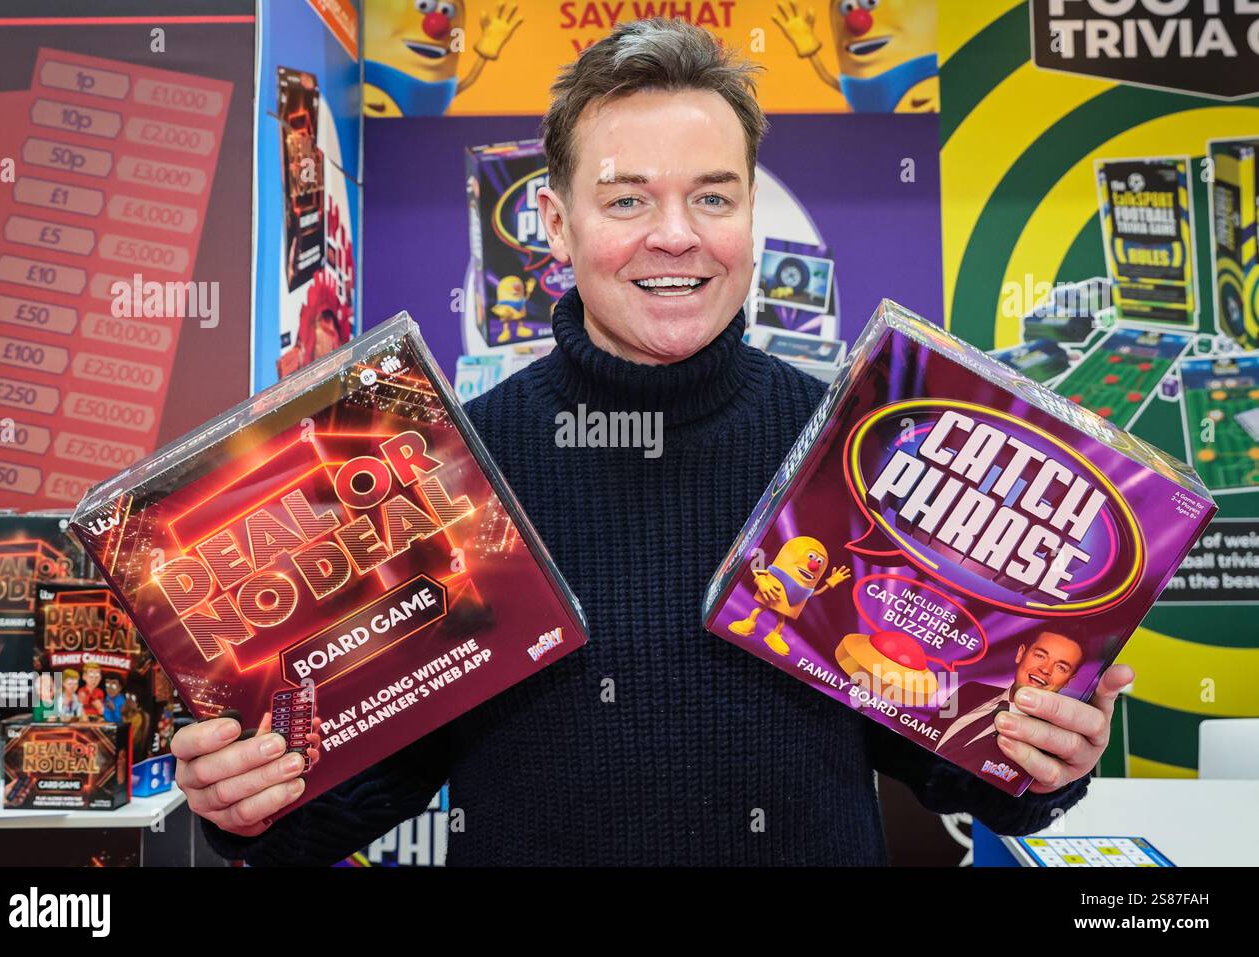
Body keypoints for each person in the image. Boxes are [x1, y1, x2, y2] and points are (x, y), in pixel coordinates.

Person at [174, 18, 1132, 866]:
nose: (676, 236)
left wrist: (1039, 758)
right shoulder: (451, 468)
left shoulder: (854, 452)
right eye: (627, 200)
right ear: (556, 224)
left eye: (713, 198)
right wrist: (249, 800)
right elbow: (348, 802)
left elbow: (965, 772)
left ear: (751, 215)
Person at [934, 633, 1084, 768]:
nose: (1045, 669)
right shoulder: (970, 691)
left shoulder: (1052, 745)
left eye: (1061, 667)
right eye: (1040, 656)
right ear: (1021, 654)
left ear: (1068, 681)